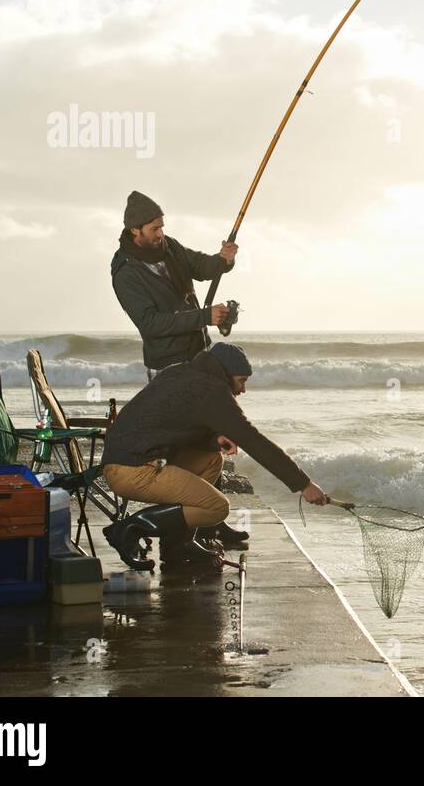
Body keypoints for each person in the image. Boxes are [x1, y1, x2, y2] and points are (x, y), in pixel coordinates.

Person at [99, 343, 328, 570]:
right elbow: (254, 441)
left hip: (124, 461)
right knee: (216, 508)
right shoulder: (212, 390)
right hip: (134, 470)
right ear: (226, 375)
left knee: (211, 458)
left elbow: (169, 426)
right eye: (241, 381)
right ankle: (130, 529)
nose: (243, 390)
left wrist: (212, 441)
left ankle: (177, 545)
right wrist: (303, 484)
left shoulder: (180, 372)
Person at [111, 190, 237, 379]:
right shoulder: (125, 272)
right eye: (154, 229)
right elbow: (151, 323)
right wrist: (204, 316)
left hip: (200, 353)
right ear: (135, 230)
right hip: (167, 367)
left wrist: (223, 259)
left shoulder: (169, 246)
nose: (161, 233)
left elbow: (201, 266)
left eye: (162, 227)